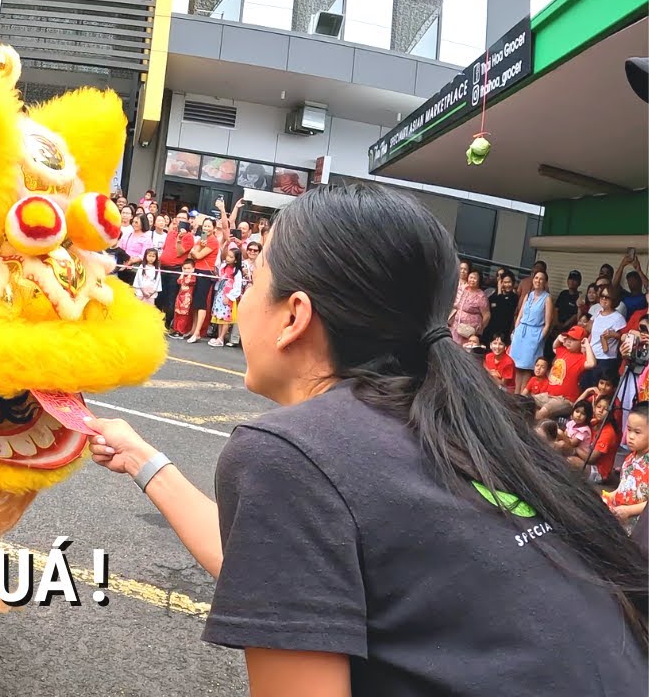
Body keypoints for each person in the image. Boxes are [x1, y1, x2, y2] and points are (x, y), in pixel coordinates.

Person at [82, 184, 647, 696]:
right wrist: (142, 458)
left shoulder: (292, 451)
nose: (241, 301)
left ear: (294, 315)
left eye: (254, 282)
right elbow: (275, 567)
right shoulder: (459, 425)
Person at [603, 402, 649, 532]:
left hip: (640, 527)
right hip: (621, 517)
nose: (631, 437)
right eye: (629, 430)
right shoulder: (629, 459)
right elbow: (624, 487)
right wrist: (610, 496)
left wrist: (629, 510)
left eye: (637, 432)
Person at [509, 269, 553, 393]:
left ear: (545, 282)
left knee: (528, 367)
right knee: (517, 365)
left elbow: (548, 323)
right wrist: (516, 330)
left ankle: (523, 395)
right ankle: (516, 394)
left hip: (534, 333)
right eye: (536, 278)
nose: (538, 281)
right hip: (521, 331)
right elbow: (520, 315)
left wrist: (539, 338)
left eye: (541, 279)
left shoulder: (547, 298)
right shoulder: (528, 295)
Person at [587, 286, 628, 388]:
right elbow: (591, 332)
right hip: (592, 356)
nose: (604, 299)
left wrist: (613, 334)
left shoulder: (618, 318)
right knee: (588, 386)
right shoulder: (598, 313)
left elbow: (624, 337)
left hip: (606, 359)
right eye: (602, 296)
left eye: (607, 297)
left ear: (614, 300)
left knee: (601, 388)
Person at [449, 270, 488, 346]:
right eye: (470, 277)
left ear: (479, 280)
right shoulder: (464, 289)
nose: (472, 280)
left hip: (469, 331)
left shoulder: (481, 296)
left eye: (474, 278)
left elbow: (487, 314)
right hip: (456, 326)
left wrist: (480, 328)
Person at [170, 259, 196, 338]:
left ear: (193, 268)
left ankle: (181, 331)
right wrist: (182, 273)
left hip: (186, 298)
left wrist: (189, 274)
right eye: (184, 268)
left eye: (189, 268)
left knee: (183, 315)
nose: (186, 270)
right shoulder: (183, 276)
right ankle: (176, 329)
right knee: (177, 313)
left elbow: (188, 282)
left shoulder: (193, 277)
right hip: (180, 297)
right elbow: (179, 281)